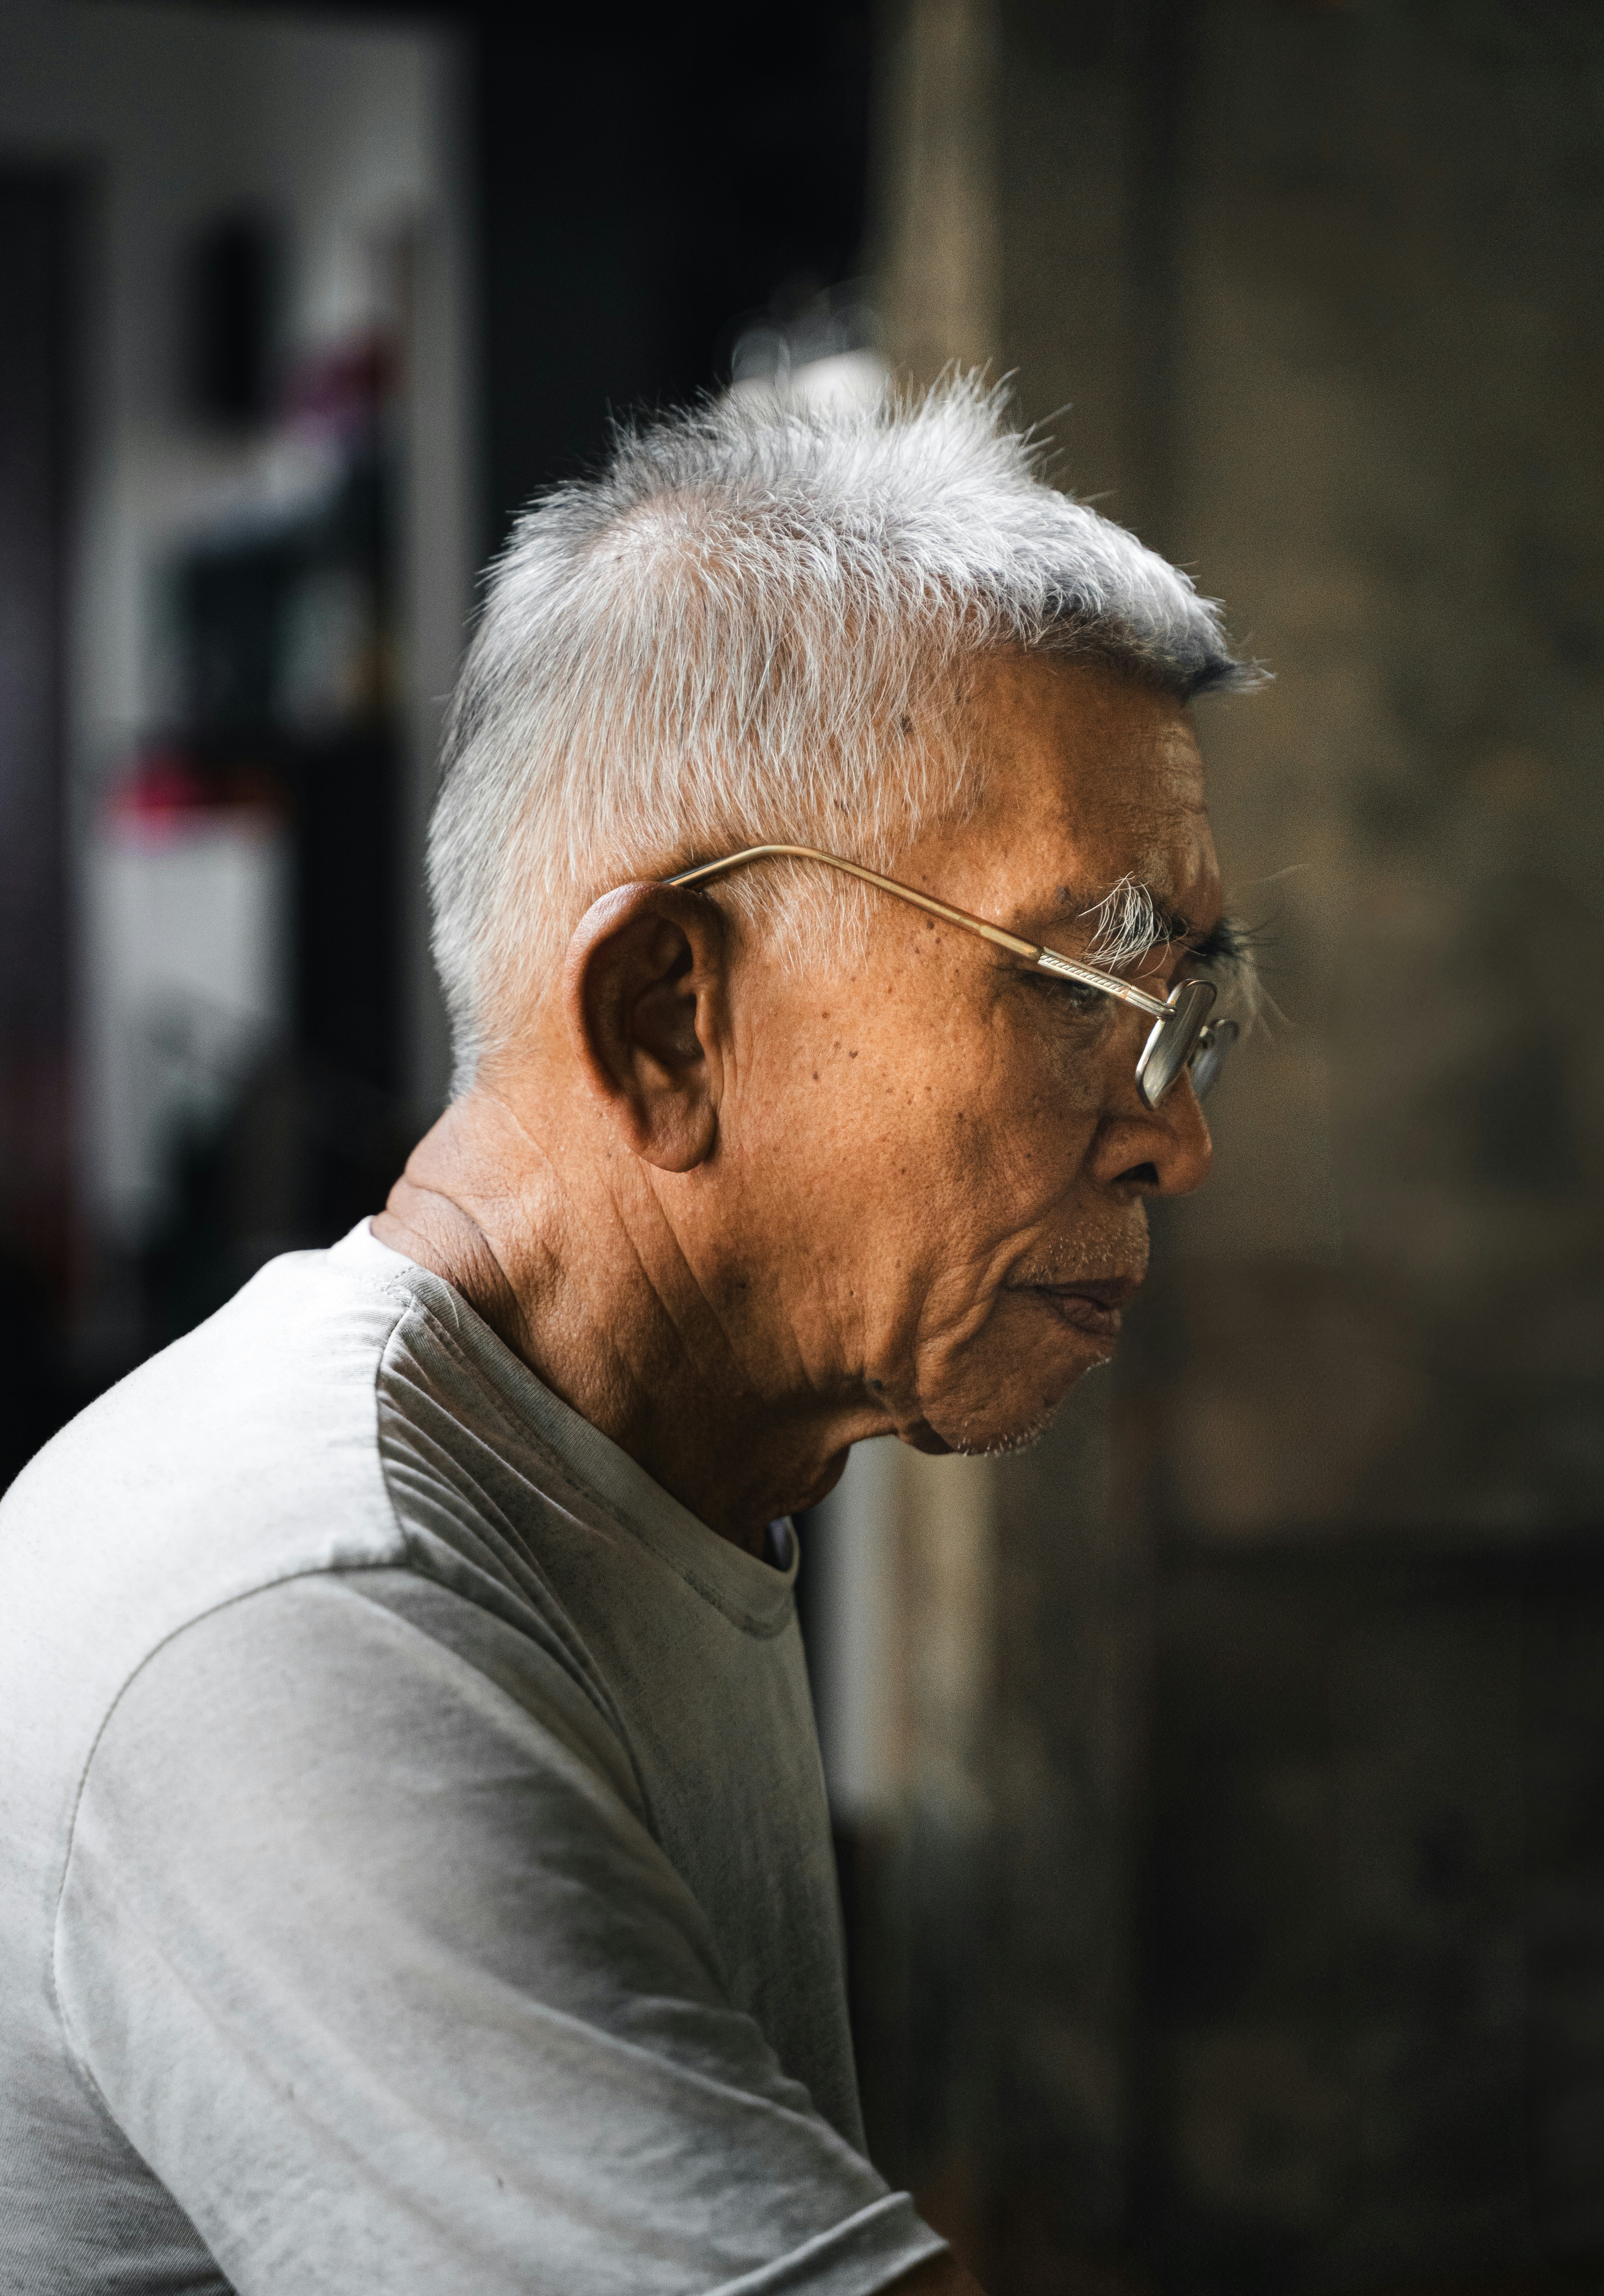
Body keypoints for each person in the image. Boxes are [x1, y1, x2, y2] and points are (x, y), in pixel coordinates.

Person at [0, 380, 1256, 2294]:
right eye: (1085, 988)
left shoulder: (644, 1489)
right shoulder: (308, 1613)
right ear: (670, 1016)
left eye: (1193, 1014)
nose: (1174, 1133)